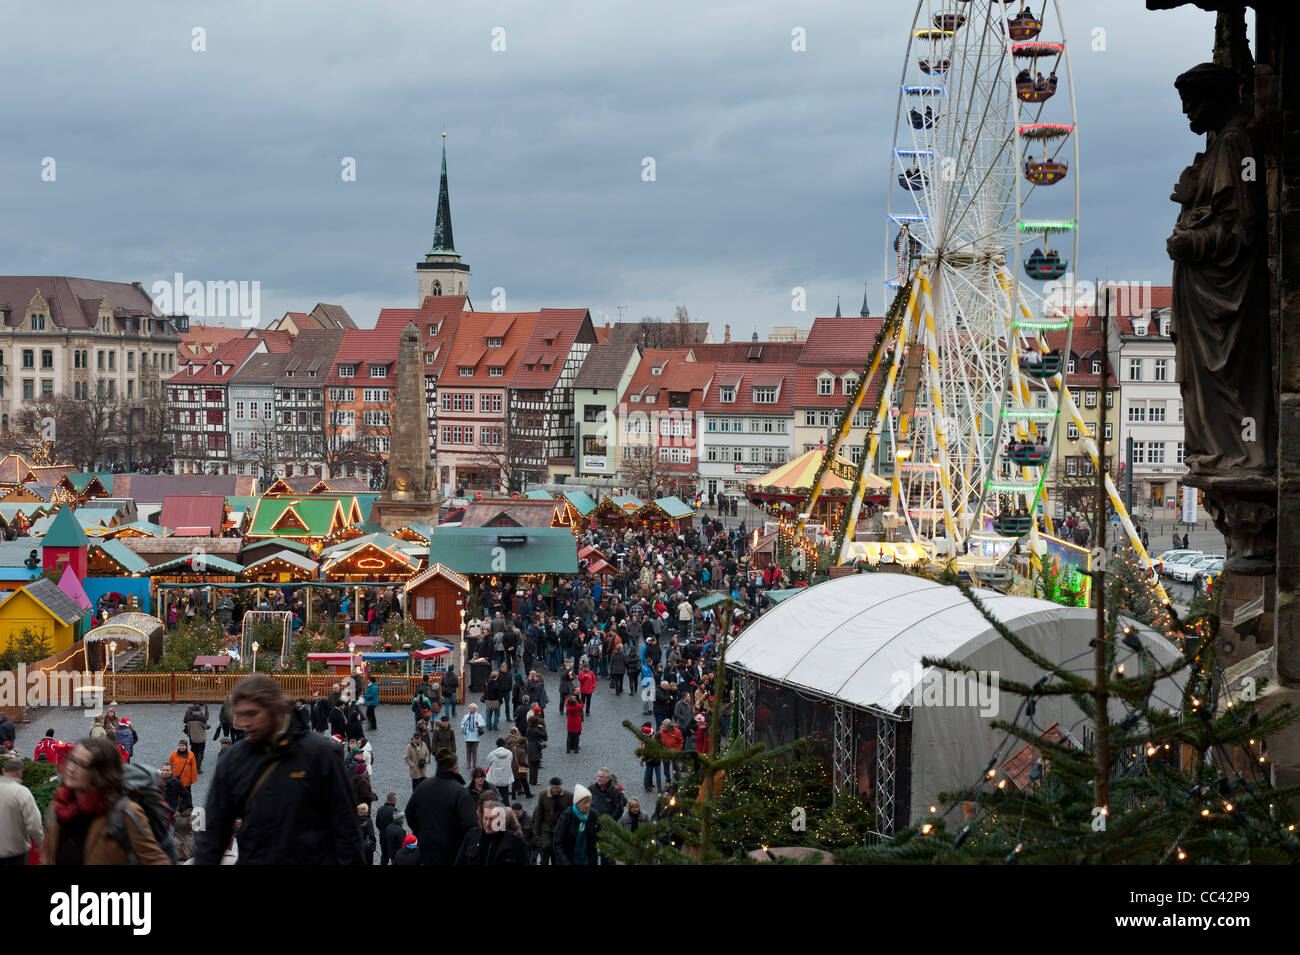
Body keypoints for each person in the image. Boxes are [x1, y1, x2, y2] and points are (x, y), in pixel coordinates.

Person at [195, 675, 365, 865]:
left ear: (275, 709)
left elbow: (347, 831)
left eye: (251, 714)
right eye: (239, 715)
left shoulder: (321, 755)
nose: (242, 724)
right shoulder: (233, 761)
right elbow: (213, 836)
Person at [41, 737, 172, 865]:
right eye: (71, 760)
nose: (71, 768)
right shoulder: (58, 807)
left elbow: (155, 859)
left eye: (81, 765)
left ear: (99, 773)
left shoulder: (124, 812)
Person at [403, 748, 476, 866]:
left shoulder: (422, 787)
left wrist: (421, 832)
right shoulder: (460, 792)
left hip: (427, 849)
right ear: (454, 767)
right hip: (453, 852)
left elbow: (410, 813)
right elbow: (471, 825)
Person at [453, 796, 530, 865]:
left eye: (492, 819)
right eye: (486, 818)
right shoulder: (471, 837)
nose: (487, 824)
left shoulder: (516, 842)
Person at [0, 756, 42, 865]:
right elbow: (34, 824)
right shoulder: (22, 792)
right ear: (19, 772)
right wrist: (40, 842)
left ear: (3, 771)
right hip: (15, 851)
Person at [552, 784, 598, 866]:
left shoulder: (593, 815)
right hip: (568, 859)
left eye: (589, 802)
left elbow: (602, 837)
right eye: (585, 802)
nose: (588, 805)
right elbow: (557, 843)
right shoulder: (566, 816)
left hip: (587, 860)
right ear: (577, 803)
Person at [534, 777, 572, 866]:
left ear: (560, 787)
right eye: (553, 787)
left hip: (560, 828)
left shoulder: (568, 796)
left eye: (557, 788)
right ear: (550, 786)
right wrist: (537, 831)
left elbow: (571, 814)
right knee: (546, 847)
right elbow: (539, 813)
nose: (555, 790)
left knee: (557, 850)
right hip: (546, 827)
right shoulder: (543, 795)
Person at [183, 703, 209, 773]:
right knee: (201, 753)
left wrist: (189, 735)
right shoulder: (202, 718)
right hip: (201, 738)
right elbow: (207, 726)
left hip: (193, 738)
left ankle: (192, 765)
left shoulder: (190, 718)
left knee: (193, 752)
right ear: (200, 710)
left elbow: (188, 727)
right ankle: (198, 768)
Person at [461, 704, 486, 773]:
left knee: (474, 751)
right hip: (467, 736)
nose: (470, 710)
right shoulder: (466, 716)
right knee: (468, 751)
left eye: (471, 708)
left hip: (475, 736)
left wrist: (478, 723)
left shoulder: (479, 716)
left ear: (475, 709)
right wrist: (464, 729)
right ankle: (468, 763)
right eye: (469, 708)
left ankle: (475, 764)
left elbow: (483, 724)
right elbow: (462, 724)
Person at [375, 792, 399, 865]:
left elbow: (377, 824)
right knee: (394, 858)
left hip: (382, 837)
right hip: (392, 840)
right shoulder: (395, 811)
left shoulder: (380, 810)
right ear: (394, 800)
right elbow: (398, 828)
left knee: (384, 857)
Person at [525, 716, 547, 789]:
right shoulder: (536, 730)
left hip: (530, 747)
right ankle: (534, 781)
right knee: (535, 765)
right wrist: (542, 727)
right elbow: (544, 736)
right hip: (535, 748)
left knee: (531, 765)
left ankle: (531, 780)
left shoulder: (529, 729)